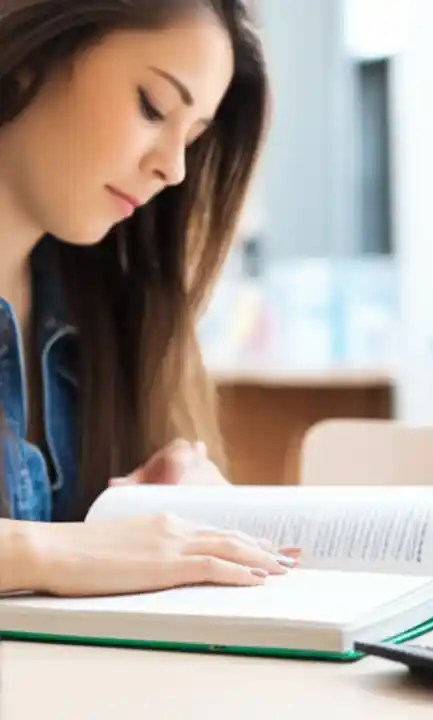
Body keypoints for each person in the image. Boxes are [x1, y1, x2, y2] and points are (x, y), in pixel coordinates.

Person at [0, 0, 300, 597]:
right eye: (153, 106)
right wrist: (50, 553)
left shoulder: (117, 312)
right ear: (33, 54)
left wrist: (192, 519)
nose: (174, 169)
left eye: (194, 137)